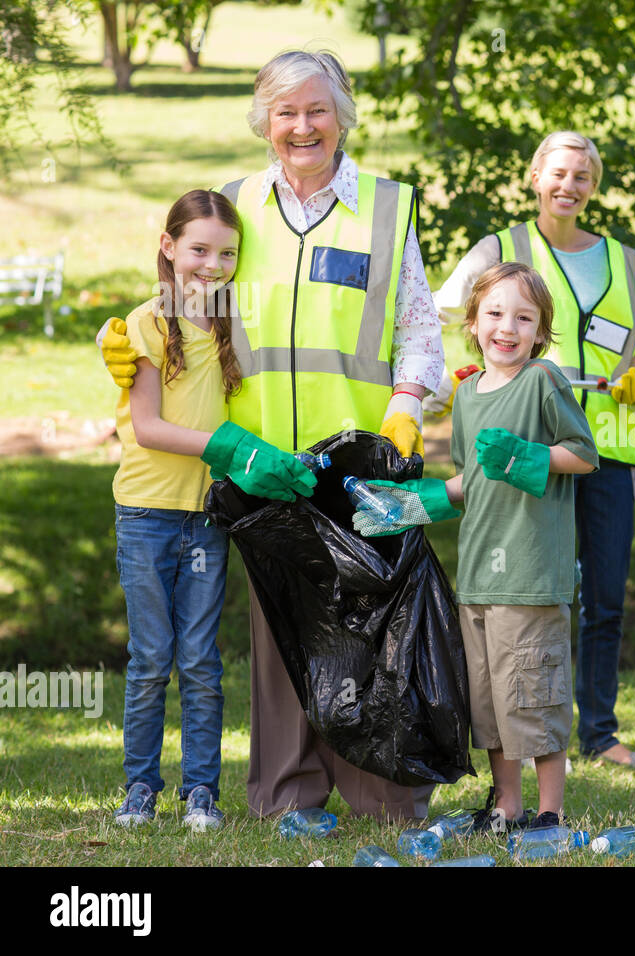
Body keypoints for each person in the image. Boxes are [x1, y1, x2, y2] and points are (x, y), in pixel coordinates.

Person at [100, 50, 443, 821]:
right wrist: (115, 337)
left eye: (317, 110)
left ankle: (384, 795)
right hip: (259, 464)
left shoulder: (387, 207)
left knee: (370, 628)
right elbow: (177, 297)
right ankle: (288, 796)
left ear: (343, 115)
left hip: (357, 462)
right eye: (285, 113)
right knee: (281, 633)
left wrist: (407, 404)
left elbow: (421, 328)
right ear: (264, 121)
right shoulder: (234, 202)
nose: (302, 127)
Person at [434, 131, 635, 769]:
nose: (570, 185)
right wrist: (461, 382)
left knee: (604, 595)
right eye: (558, 172)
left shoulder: (631, 264)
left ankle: (601, 731)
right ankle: (515, 729)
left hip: (602, 449)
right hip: (521, 455)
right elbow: (444, 315)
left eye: (583, 175)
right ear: (535, 176)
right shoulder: (499, 250)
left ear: (595, 185)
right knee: (529, 593)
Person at [354, 262, 598, 831]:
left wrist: (526, 457)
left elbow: (584, 454)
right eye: (494, 313)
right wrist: (415, 504)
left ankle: (550, 811)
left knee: (533, 696)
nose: (507, 327)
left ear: (541, 331)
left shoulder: (544, 381)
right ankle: (506, 804)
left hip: (533, 574)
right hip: (480, 580)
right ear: (472, 322)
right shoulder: (466, 394)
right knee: (488, 704)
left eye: (523, 317)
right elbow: (472, 479)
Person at [111, 189, 317, 831]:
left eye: (227, 253)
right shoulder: (145, 326)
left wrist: (259, 459)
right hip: (146, 514)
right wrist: (230, 447)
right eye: (198, 249)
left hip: (205, 517)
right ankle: (141, 787)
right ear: (169, 247)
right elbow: (148, 427)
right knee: (151, 659)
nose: (213, 264)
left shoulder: (231, 323)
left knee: (200, 658)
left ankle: (201, 791)